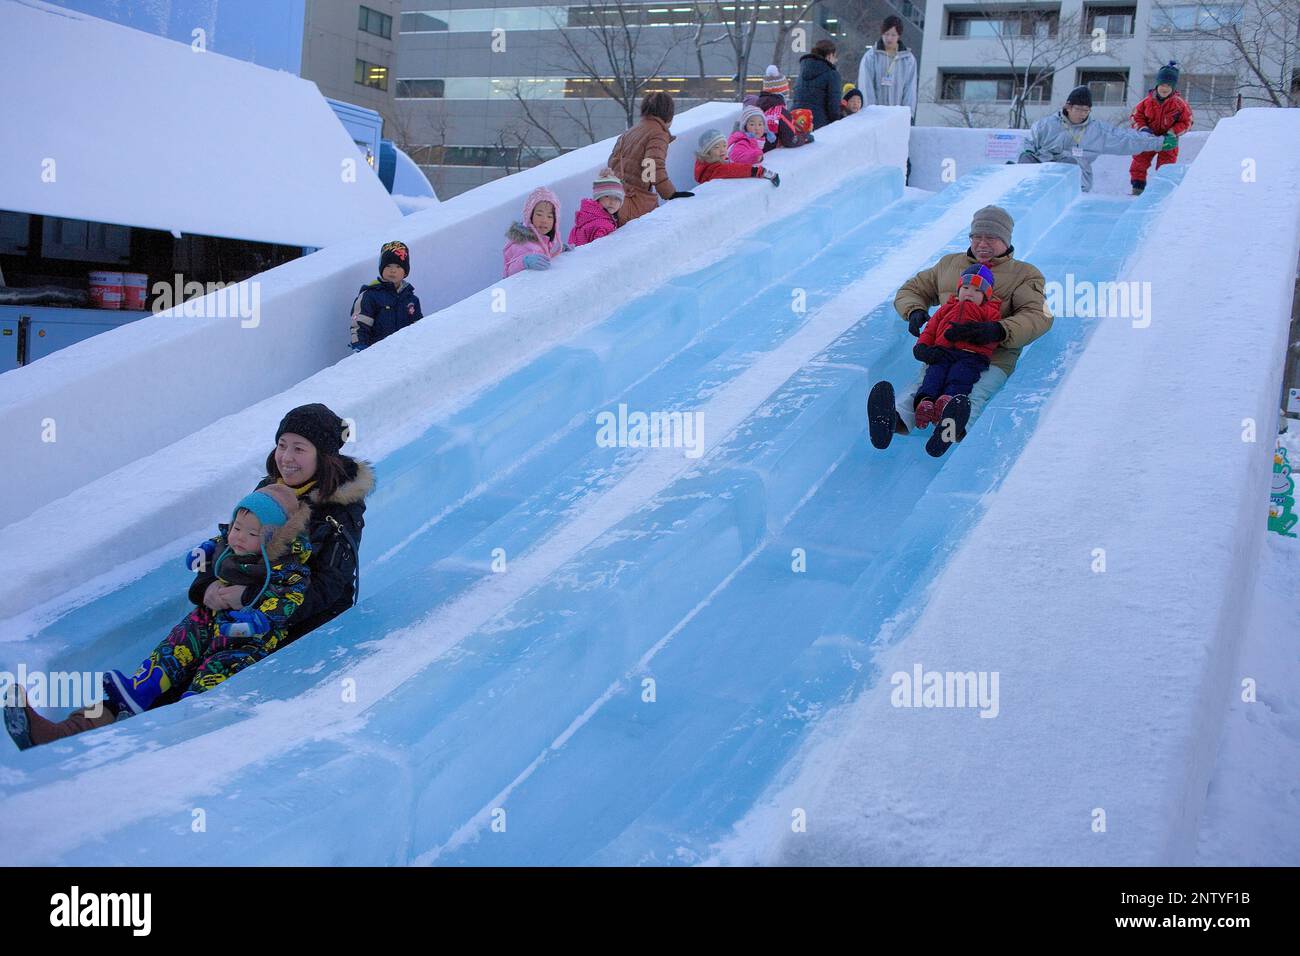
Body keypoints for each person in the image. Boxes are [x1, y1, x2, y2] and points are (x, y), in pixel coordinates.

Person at [4, 403, 373, 748]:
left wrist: (254, 606)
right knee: (155, 674)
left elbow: (328, 589)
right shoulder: (270, 490)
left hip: (284, 628)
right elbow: (231, 544)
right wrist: (206, 587)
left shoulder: (336, 514)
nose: (286, 458)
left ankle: (160, 746)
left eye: (299, 449)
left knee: (201, 682)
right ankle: (65, 732)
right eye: (282, 445)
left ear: (323, 456)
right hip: (223, 611)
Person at [7, 483, 312, 747]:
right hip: (205, 624)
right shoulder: (235, 540)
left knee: (217, 670)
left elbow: (293, 597)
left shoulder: (291, 564)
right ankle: (72, 727)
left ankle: (193, 712)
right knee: (167, 655)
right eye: (236, 529)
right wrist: (204, 566)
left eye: (251, 533)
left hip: (242, 639)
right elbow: (215, 551)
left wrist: (255, 613)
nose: (239, 537)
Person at [867, 206, 1052, 457]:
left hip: (991, 356)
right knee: (922, 387)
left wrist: (998, 330)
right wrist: (914, 311)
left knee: (972, 394)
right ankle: (891, 421)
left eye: (991, 237)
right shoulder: (950, 265)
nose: (983, 243)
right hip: (944, 350)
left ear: (1006, 241)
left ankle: (950, 431)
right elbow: (912, 289)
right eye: (977, 237)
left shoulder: (1024, 274)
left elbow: (1039, 314)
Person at [909, 265, 1002, 448]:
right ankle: (925, 403)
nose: (969, 293)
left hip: (971, 356)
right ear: (959, 289)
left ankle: (949, 403)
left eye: (977, 290)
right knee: (933, 375)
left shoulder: (989, 311)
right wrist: (922, 347)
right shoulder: (946, 308)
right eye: (965, 288)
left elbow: (993, 338)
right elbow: (930, 330)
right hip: (943, 353)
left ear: (986, 296)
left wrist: (973, 336)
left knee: (959, 377)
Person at [1017, 85, 1174, 192]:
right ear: (1068, 107)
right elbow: (1028, 144)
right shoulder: (1045, 125)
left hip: (1074, 180)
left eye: (1087, 110)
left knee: (1068, 164)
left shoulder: (1097, 131)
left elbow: (1126, 139)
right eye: (1078, 109)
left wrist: (1159, 143)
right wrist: (1027, 155)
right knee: (1027, 161)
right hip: (1042, 176)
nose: (1083, 113)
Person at [607, 92, 693, 224]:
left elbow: (612, 162)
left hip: (615, 198)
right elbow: (652, 165)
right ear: (668, 114)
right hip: (633, 202)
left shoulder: (630, 131)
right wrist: (670, 194)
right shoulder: (658, 133)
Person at [1129, 62, 1194, 195]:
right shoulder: (1146, 102)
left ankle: (1160, 192)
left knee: (1166, 166)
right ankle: (1137, 189)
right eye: (1162, 85)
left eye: (1169, 86)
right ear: (1157, 85)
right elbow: (1135, 116)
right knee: (1139, 161)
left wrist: (1173, 132)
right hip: (1148, 138)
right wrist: (1143, 129)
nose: (1165, 88)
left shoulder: (1179, 104)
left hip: (1168, 140)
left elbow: (1187, 121)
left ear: (1173, 87)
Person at [349, 240, 422, 352]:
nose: (393, 270)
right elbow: (359, 324)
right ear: (381, 269)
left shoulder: (411, 300)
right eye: (388, 266)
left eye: (398, 266)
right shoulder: (370, 295)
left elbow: (419, 329)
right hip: (376, 355)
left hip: (404, 355)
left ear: (405, 272)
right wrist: (360, 347)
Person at [856, 16, 917, 121]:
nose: (889, 38)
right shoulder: (871, 57)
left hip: (898, 117)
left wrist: (908, 113)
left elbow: (910, 88)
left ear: (899, 36)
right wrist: (869, 112)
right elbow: (866, 86)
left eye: (893, 35)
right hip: (875, 117)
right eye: (886, 34)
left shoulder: (908, 59)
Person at [503, 186, 565, 276]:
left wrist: (558, 249)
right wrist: (524, 262)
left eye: (550, 216)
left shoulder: (543, 239)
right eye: (539, 214)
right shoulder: (521, 243)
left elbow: (543, 254)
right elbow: (509, 271)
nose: (544, 220)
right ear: (530, 216)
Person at [693, 129, 779, 187]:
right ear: (707, 151)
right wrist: (759, 171)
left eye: (724, 145)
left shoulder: (705, 163)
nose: (722, 150)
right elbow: (735, 170)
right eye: (716, 147)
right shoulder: (714, 169)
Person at [757, 65, 814, 150]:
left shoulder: (757, 106)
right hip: (769, 153)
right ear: (782, 93)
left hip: (756, 149)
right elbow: (790, 140)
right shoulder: (780, 112)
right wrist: (805, 137)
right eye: (786, 91)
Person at [793, 39, 842, 130]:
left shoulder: (802, 71)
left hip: (797, 121)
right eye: (835, 56)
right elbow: (834, 108)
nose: (836, 60)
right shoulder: (832, 74)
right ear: (829, 56)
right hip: (820, 125)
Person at [568, 168, 624, 248]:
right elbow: (601, 251)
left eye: (617, 198)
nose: (612, 202)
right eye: (607, 196)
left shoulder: (585, 218)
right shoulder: (603, 226)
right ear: (598, 198)